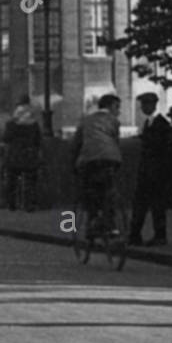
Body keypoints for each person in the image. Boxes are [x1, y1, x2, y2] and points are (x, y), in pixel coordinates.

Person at [129, 92, 172, 247]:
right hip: (151, 170)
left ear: (153, 105)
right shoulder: (150, 123)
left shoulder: (160, 123)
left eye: (145, 104)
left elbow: (165, 148)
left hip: (155, 171)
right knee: (149, 204)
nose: (143, 107)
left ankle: (148, 235)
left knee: (151, 204)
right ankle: (140, 234)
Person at [71, 94, 123, 239]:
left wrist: (74, 164)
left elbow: (76, 143)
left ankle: (93, 220)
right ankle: (110, 224)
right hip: (112, 159)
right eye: (117, 107)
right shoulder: (114, 121)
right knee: (109, 188)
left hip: (90, 159)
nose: (119, 111)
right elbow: (115, 141)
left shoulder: (86, 120)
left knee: (90, 189)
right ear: (110, 106)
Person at [4, 95, 44, 210]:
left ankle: (11, 204)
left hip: (14, 155)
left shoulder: (11, 123)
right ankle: (29, 204)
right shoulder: (33, 123)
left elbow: (6, 138)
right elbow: (38, 140)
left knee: (12, 180)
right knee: (30, 180)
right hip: (29, 154)